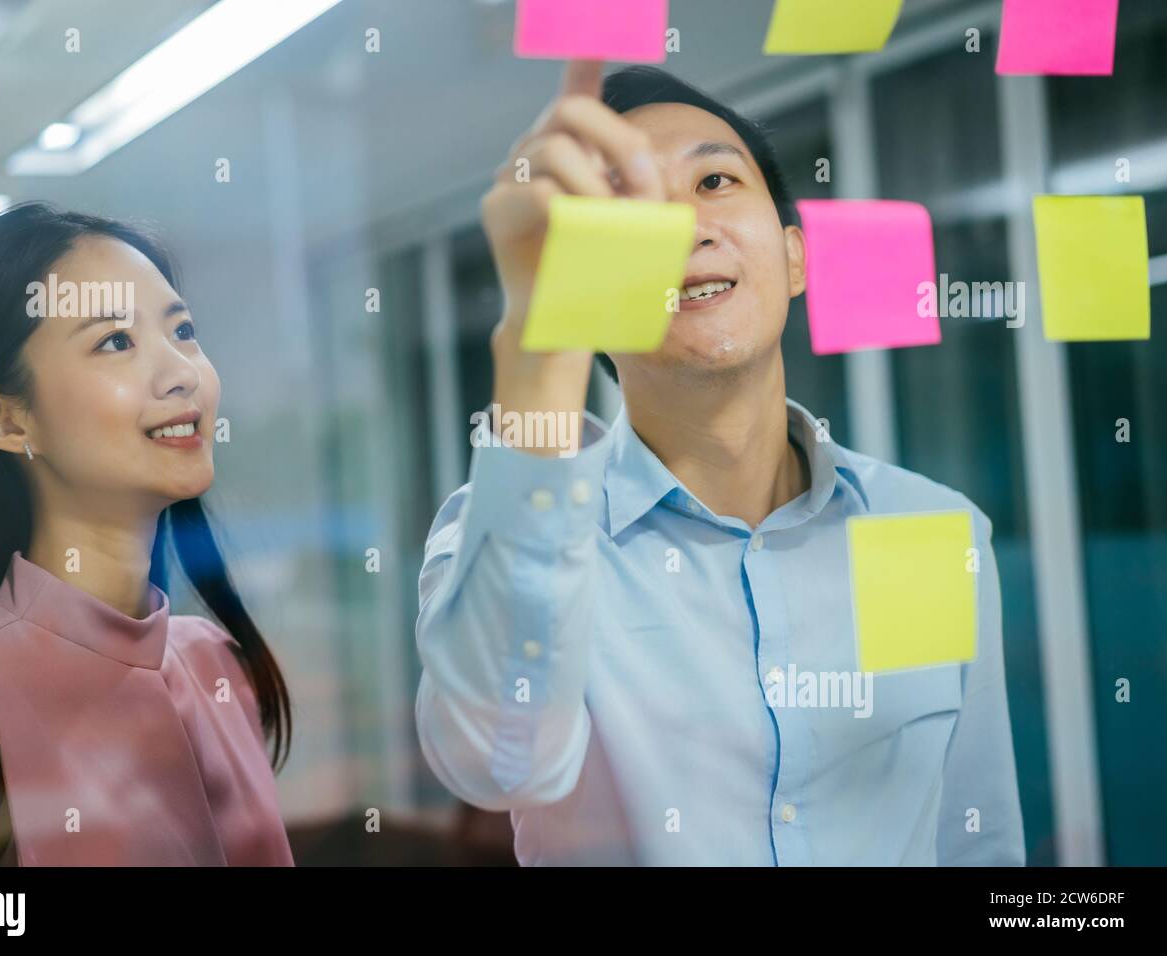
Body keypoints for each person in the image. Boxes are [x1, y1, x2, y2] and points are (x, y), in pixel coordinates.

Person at [414, 63, 1026, 865]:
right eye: (634, 207)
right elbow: (492, 763)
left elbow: (977, 840)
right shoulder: (514, 533)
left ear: (795, 257)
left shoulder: (928, 531)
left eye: (714, 180)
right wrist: (536, 344)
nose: (686, 228)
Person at [0, 202, 294, 866]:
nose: (182, 373)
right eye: (116, 341)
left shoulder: (216, 661)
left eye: (184, 330)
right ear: (4, 418)